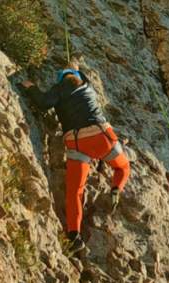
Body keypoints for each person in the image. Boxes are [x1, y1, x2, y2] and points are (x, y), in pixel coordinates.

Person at [21, 64, 130, 257]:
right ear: (79, 77)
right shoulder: (88, 87)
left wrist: (30, 87)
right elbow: (79, 76)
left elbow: (43, 102)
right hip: (102, 137)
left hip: (77, 141)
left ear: (61, 80)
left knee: (75, 192)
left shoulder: (60, 89)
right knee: (123, 167)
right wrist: (74, 68)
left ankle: (74, 236)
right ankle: (116, 189)